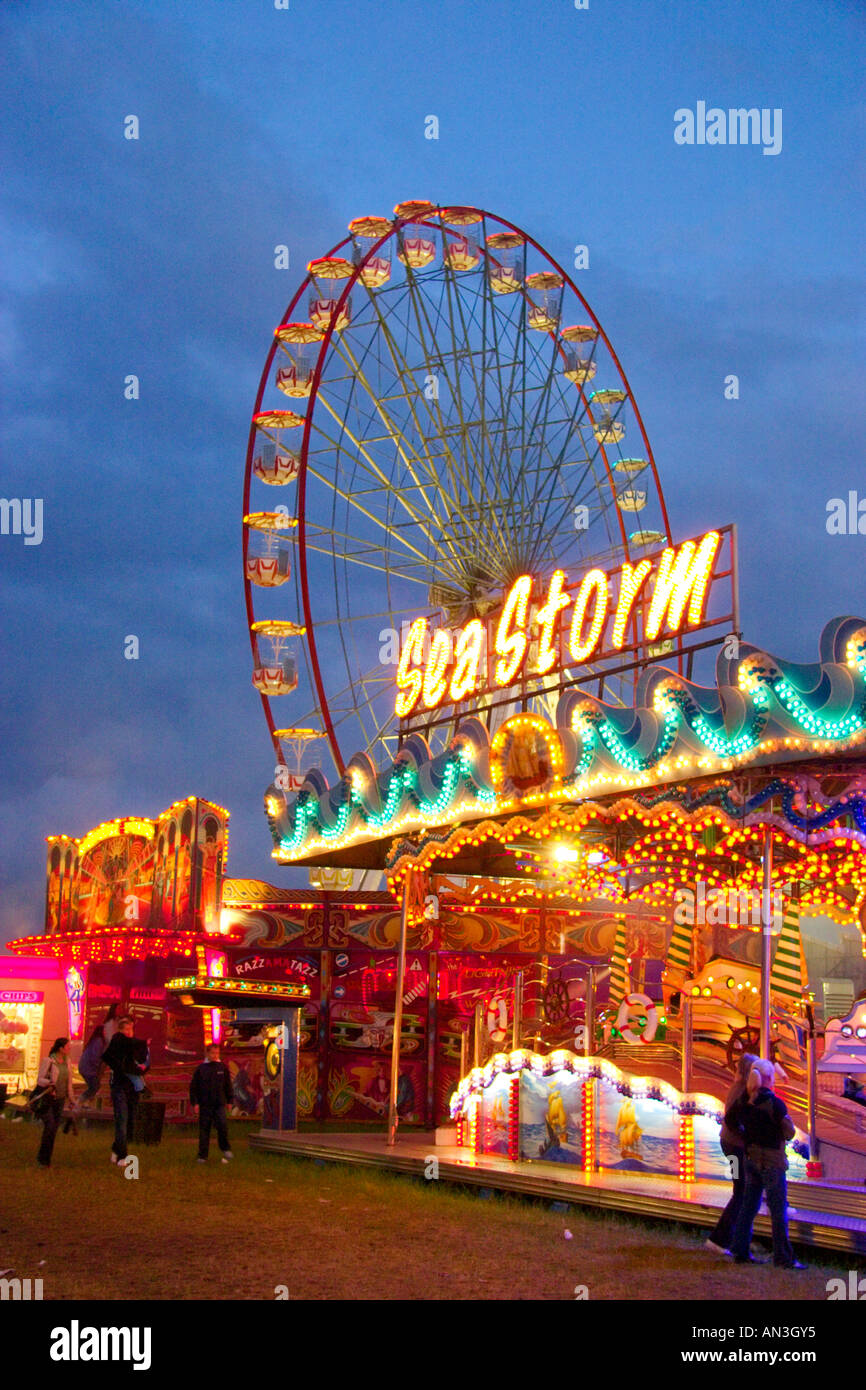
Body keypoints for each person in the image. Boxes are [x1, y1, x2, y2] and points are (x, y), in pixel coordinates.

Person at [726, 1058, 806, 1269]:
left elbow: (729, 1120)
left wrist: (745, 1135)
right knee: (778, 1210)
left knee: (748, 1206)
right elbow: (789, 1133)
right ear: (769, 1078)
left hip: (750, 1158)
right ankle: (783, 1257)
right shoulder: (774, 1103)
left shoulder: (744, 1100)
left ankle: (739, 1250)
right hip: (772, 1160)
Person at [704, 1052, 757, 1253]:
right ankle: (720, 1238)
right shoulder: (742, 1091)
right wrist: (747, 1137)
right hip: (735, 1146)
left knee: (742, 1191)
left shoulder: (739, 1087)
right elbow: (733, 1120)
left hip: (730, 1144)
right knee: (742, 1192)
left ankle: (736, 1236)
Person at [101, 1016, 148, 1168]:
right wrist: (143, 1043)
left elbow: (143, 1062)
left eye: (131, 1029)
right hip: (119, 1086)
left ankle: (116, 1148)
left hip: (132, 1088)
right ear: (121, 1030)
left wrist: (143, 1067)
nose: (129, 1032)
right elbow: (114, 1055)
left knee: (130, 1121)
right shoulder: (118, 1041)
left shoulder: (133, 1046)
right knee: (121, 1120)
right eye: (126, 1029)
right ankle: (122, 1156)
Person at [35, 1037, 77, 1168]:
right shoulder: (49, 1061)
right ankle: (43, 1158)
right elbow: (40, 1079)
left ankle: (46, 1158)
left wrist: (71, 1099)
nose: (69, 1049)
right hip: (49, 1098)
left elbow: (68, 1082)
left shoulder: (67, 1062)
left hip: (60, 1098)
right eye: (67, 1046)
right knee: (50, 1126)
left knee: (53, 1129)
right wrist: (50, 1083)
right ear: (61, 1048)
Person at [190, 1043, 234, 1163]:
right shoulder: (201, 1069)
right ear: (207, 1053)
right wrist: (195, 1103)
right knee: (204, 1130)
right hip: (205, 1104)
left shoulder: (222, 1068)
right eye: (213, 1053)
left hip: (219, 1104)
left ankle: (225, 1148)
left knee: (222, 1126)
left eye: (217, 1053)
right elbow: (194, 1087)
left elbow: (228, 1085)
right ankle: (202, 1155)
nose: (215, 1055)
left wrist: (230, 1101)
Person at [77, 1023, 106, 1103]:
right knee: (94, 1086)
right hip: (89, 1069)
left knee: (93, 1086)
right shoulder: (99, 1041)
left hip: (85, 1068)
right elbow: (95, 1056)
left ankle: (85, 1103)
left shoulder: (94, 1040)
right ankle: (80, 1101)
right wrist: (97, 1068)